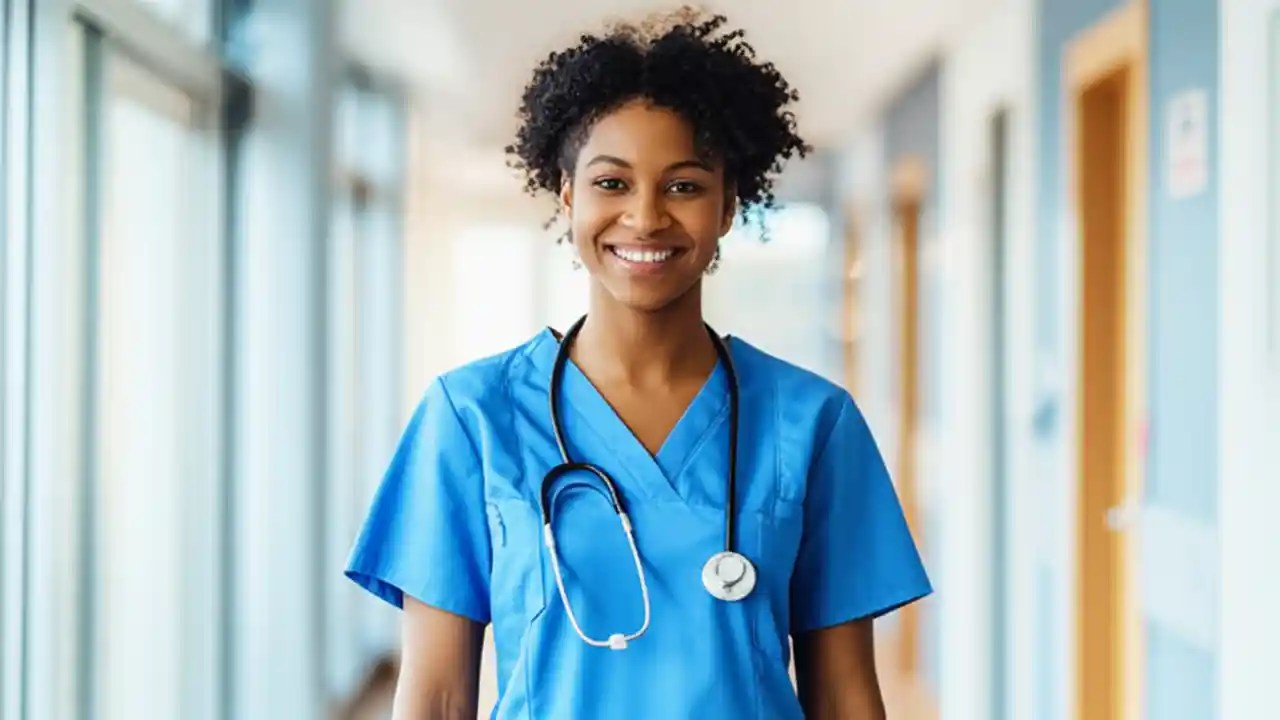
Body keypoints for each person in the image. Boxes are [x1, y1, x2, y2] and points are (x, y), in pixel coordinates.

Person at [345, 8, 931, 719]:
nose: (647, 217)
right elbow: (435, 697)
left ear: (728, 206)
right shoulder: (471, 416)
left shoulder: (812, 423)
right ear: (567, 198)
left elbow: (844, 694)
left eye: (684, 184)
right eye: (611, 183)